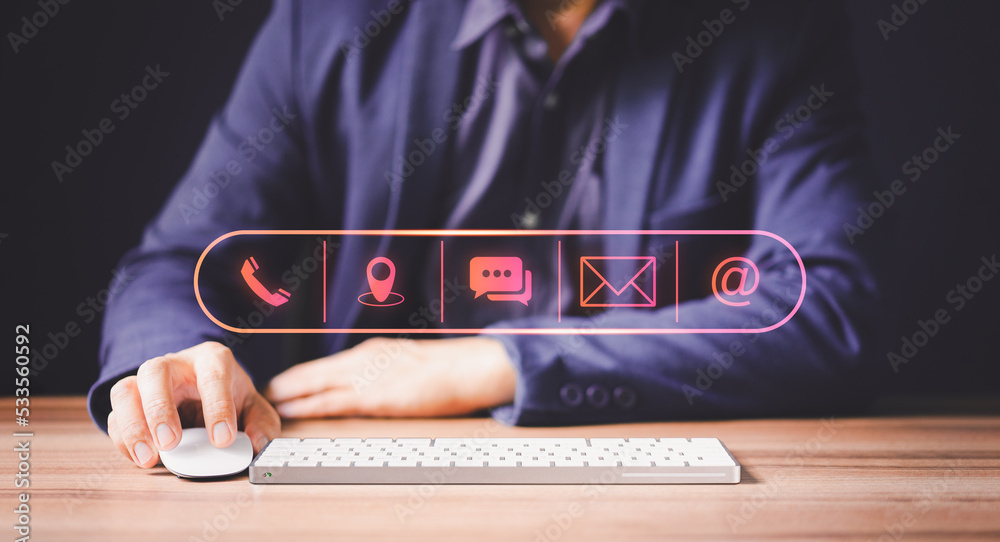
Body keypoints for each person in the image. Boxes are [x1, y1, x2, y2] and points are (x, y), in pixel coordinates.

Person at [89, 0, 893, 469]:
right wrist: (176, 359)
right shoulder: (330, 21)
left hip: (645, 487)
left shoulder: (777, 28)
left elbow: (825, 311)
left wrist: (501, 359)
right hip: (350, 489)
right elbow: (184, 259)